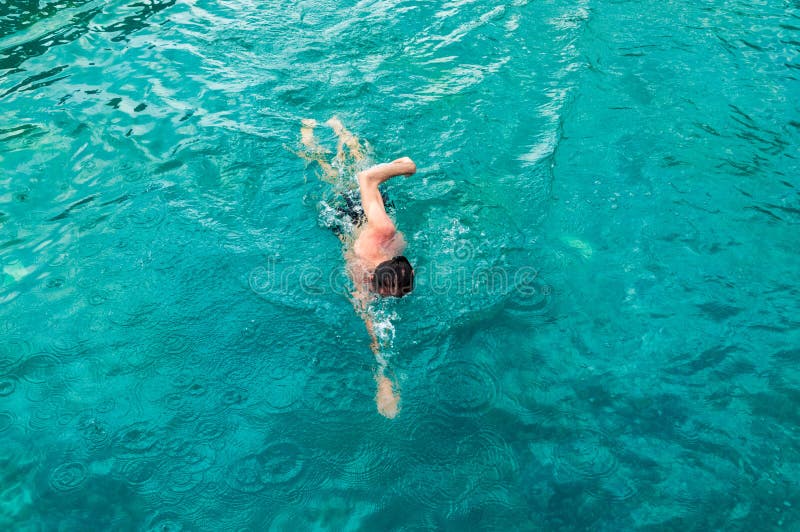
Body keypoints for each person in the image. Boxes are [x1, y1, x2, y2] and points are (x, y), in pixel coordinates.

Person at [298, 117, 416, 418]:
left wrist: (384, 379)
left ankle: (338, 128)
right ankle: (310, 130)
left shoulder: (394, 242)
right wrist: (403, 168)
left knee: (349, 163)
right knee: (331, 171)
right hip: (353, 219)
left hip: (366, 219)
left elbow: (374, 328)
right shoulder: (369, 252)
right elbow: (366, 178)